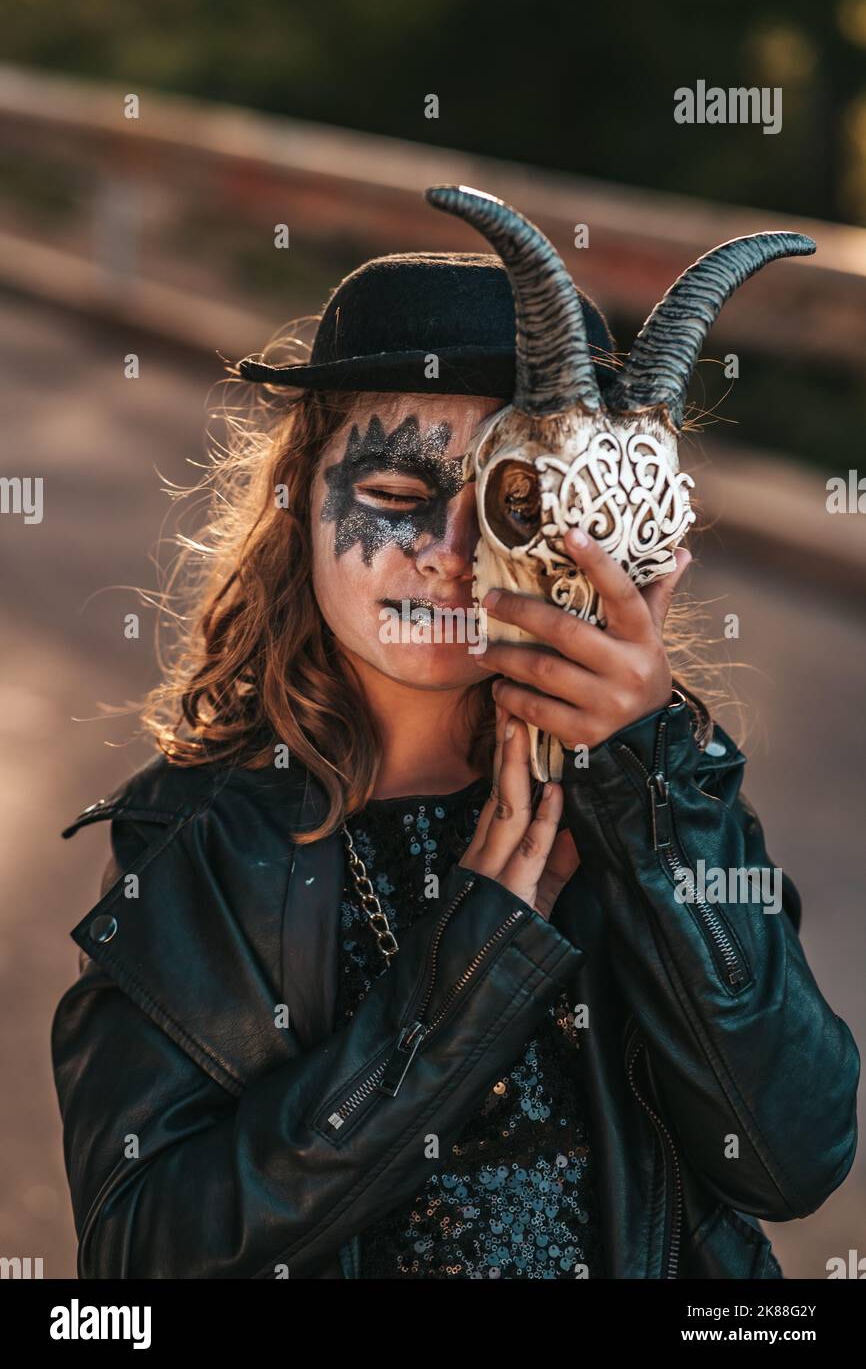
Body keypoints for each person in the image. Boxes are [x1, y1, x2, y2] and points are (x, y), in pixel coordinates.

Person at [50, 225, 859, 1280]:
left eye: (508, 506)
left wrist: (650, 786)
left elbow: (791, 1158)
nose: (449, 555)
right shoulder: (196, 846)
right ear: (299, 501)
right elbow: (140, 1261)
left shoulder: (651, 787)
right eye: (393, 498)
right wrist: (459, 985)